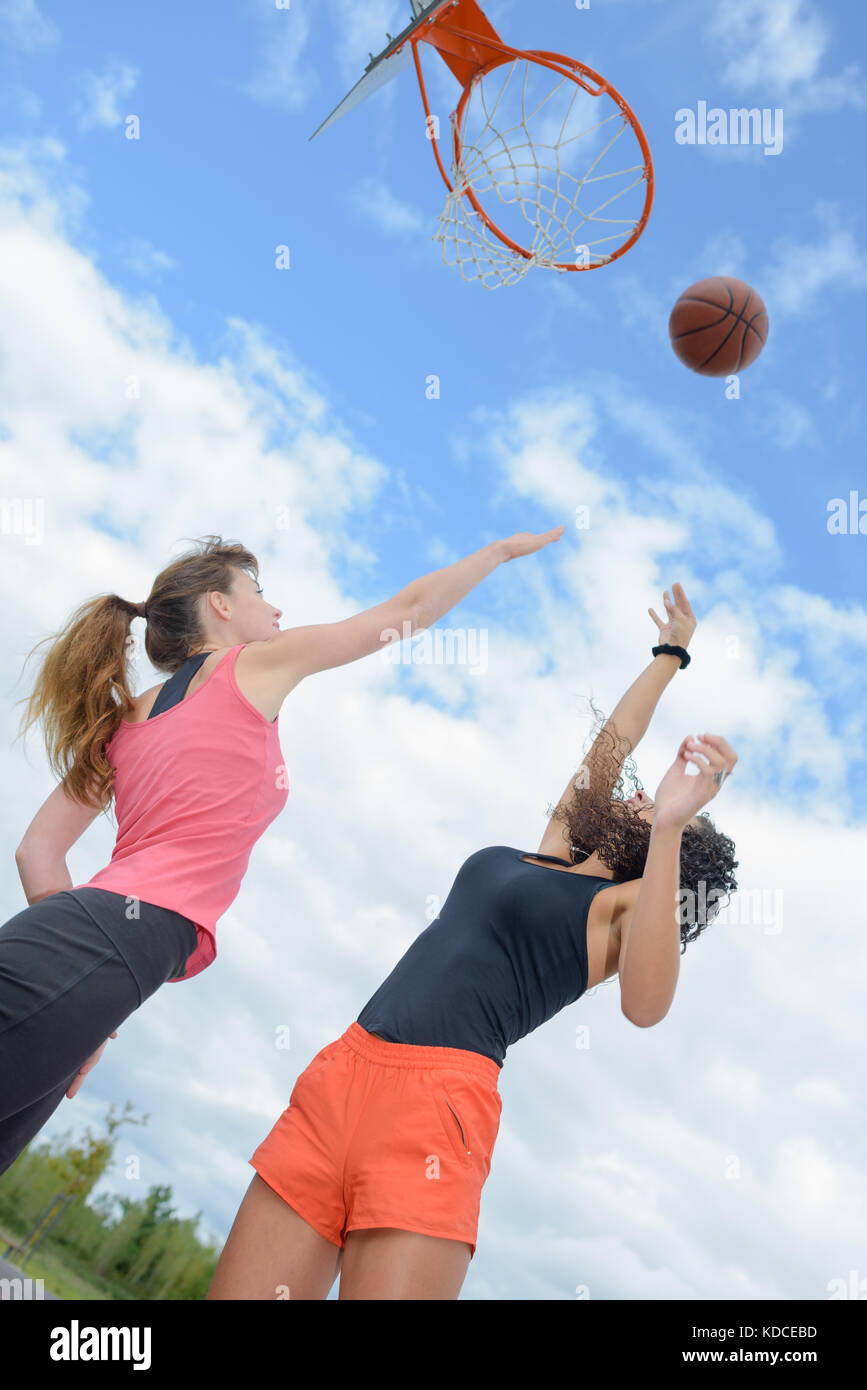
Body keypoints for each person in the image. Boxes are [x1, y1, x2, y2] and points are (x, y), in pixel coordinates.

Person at [207, 582, 738, 1300]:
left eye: (664, 814)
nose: (647, 794)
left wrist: (676, 823)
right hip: (345, 1068)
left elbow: (645, 1007)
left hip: (436, 1104)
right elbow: (613, 741)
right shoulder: (553, 847)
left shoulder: (620, 907)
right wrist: (671, 653)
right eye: (654, 799)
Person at [1, 527, 563, 1178]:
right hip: (114, 943)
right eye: (259, 592)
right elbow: (402, 615)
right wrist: (494, 553)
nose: (275, 610)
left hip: (97, 945)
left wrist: (81, 991)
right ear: (219, 606)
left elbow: (39, 853)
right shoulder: (247, 667)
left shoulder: (125, 718)